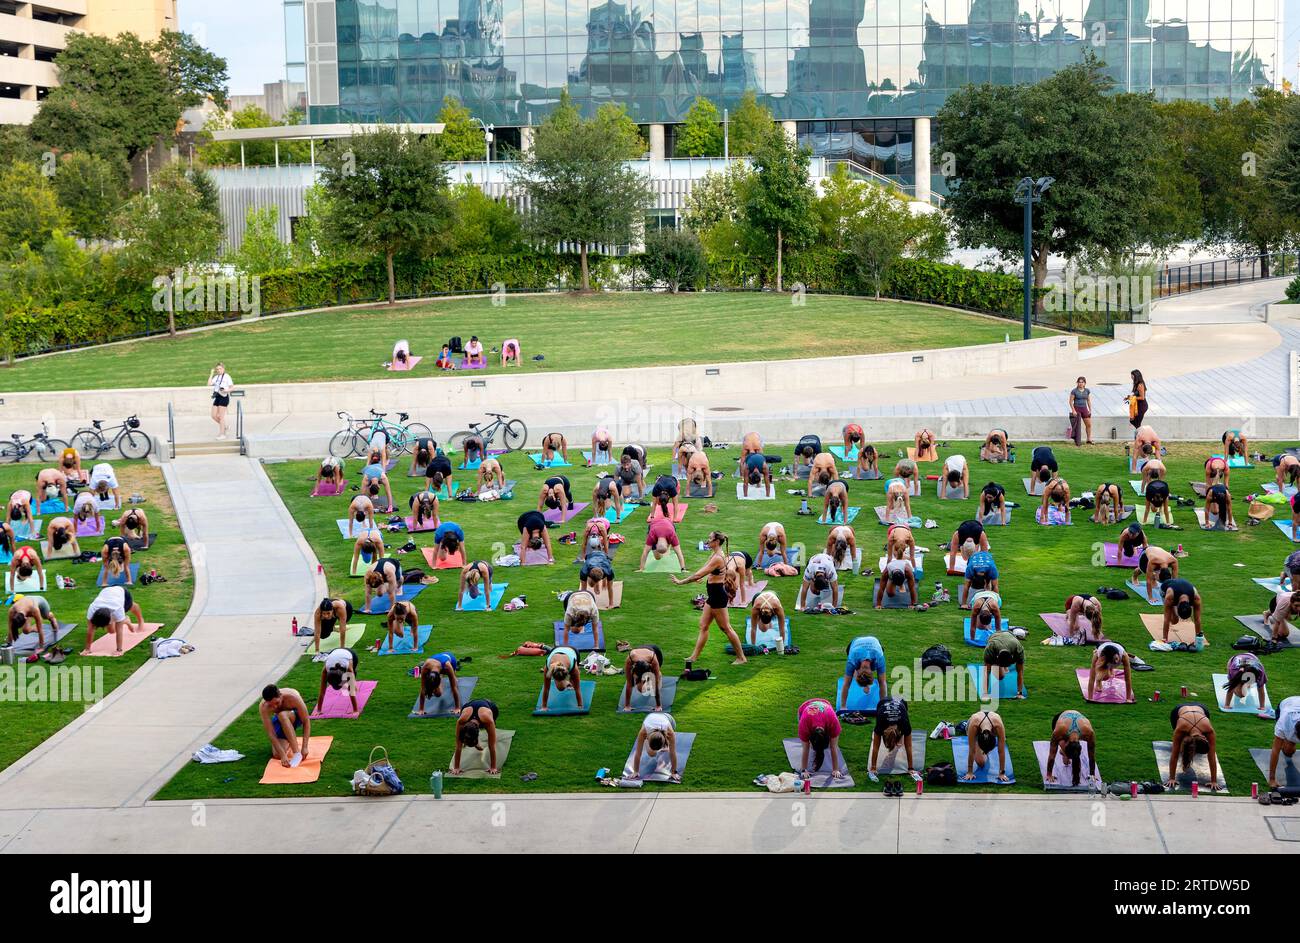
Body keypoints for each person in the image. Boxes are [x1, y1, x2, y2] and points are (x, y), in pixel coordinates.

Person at [674, 531, 747, 667]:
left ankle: (741, 657)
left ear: (717, 541)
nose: (708, 541)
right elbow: (705, 569)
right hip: (713, 595)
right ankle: (694, 657)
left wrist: (681, 582)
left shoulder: (718, 557)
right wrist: (702, 576)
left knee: (726, 628)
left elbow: (698, 574)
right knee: (704, 626)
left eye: (710, 539)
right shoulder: (714, 553)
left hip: (718, 596)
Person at [1167, 703, 1221, 791]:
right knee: (1178, 748)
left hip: (1201, 708)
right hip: (1179, 711)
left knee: (1184, 747)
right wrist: (1171, 778)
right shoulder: (1181, 728)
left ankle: (1190, 746)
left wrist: (1214, 781)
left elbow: (1212, 756)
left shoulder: (1209, 730)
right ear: (1204, 737)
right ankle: (1186, 745)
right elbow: (1174, 755)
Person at [83, 584, 145, 656]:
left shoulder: (117, 609)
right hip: (107, 592)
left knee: (131, 606)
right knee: (111, 631)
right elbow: (90, 630)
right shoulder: (92, 610)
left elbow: (119, 631)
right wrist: (87, 649)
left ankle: (140, 619)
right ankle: (126, 620)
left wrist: (119, 650)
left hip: (121, 592)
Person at [260, 685, 311, 768]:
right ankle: (290, 740)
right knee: (277, 755)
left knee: (282, 715)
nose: (275, 707)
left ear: (280, 696)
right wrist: (283, 755)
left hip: (294, 716)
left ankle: (296, 753)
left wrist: (305, 747)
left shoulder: (293, 697)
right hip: (280, 719)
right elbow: (270, 733)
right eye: (271, 705)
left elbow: (306, 721)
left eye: (277, 703)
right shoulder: (264, 707)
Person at [796, 698, 845, 781]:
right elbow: (806, 748)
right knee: (806, 745)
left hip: (825, 705)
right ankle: (816, 744)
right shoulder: (804, 724)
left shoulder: (833, 722)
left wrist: (836, 769)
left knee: (833, 745)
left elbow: (833, 747)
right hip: (804, 708)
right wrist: (803, 770)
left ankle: (819, 745)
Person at [1045, 711, 1098, 788]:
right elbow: (1052, 755)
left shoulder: (1089, 732)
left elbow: (1092, 756)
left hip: (1075, 724)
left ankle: (1067, 755)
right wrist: (1049, 774)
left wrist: (1092, 775)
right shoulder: (1059, 730)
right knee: (1060, 745)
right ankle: (1063, 753)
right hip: (1060, 718)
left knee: (1074, 756)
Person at [869, 695, 916, 780]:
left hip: (901, 702)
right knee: (880, 740)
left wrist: (911, 768)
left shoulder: (904, 724)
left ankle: (898, 741)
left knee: (902, 743)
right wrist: (873, 767)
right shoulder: (880, 725)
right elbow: (876, 747)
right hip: (883, 703)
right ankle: (895, 742)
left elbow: (908, 746)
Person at [628, 711, 680, 782]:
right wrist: (635, 771)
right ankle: (650, 743)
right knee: (651, 753)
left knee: (669, 749)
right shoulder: (643, 732)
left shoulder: (670, 732)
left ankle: (665, 745)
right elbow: (638, 754)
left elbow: (673, 753)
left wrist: (674, 773)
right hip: (650, 716)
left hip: (669, 719)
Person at [452, 699, 499, 775]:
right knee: (465, 737)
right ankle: (475, 743)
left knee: (492, 738)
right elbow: (458, 746)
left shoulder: (487, 720)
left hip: (490, 707)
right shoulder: (461, 721)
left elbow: (491, 746)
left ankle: (477, 741)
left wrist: (493, 767)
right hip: (469, 707)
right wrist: (456, 767)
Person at [839, 635, 887, 710]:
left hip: (874, 642)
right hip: (855, 643)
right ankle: (865, 685)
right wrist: (843, 707)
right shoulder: (852, 660)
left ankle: (866, 685)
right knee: (851, 673)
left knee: (881, 679)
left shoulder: (879, 658)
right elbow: (846, 684)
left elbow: (882, 683)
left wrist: (883, 707)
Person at [962, 710, 1010, 783]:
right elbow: (972, 750)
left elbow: (1001, 751)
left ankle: (988, 746)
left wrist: (1002, 773)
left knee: (1002, 742)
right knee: (980, 762)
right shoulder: (974, 725)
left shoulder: (998, 725)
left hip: (992, 722)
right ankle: (962, 725)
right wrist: (970, 772)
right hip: (975, 723)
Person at [1223, 652, 1271, 718]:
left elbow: (1261, 690)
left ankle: (1246, 684)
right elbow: (1231, 687)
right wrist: (1227, 705)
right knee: (1239, 693)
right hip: (1235, 659)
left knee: (1245, 690)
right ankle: (1243, 685)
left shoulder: (1260, 672)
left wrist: (1262, 707)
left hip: (1252, 658)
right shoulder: (1234, 670)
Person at [315, 647, 361, 715]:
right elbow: (322, 691)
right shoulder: (325, 670)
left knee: (351, 686)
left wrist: (355, 710)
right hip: (335, 651)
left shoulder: (348, 668)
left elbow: (351, 691)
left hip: (350, 654)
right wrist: (318, 710)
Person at [619, 644, 664, 711]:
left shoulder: (653, 660)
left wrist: (658, 705)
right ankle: (645, 681)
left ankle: (658, 674)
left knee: (655, 680)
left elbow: (656, 684)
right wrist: (627, 706)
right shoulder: (630, 659)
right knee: (641, 689)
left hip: (655, 651)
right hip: (639, 652)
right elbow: (629, 683)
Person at [538, 645, 583, 712]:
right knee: (560, 688)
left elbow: (578, 688)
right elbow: (546, 688)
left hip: (573, 651)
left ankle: (570, 682)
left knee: (574, 684)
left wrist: (580, 706)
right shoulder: (548, 668)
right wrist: (544, 706)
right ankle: (568, 684)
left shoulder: (574, 668)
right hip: (556, 649)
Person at [1267, 696, 1300, 788]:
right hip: (1286, 704)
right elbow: (1275, 750)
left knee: (1290, 749)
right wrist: (1272, 779)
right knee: (1288, 751)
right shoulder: (1283, 724)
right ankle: (1288, 741)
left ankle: (1290, 742)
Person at [982, 631, 1025, 698]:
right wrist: (985, 693)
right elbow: (986, 673)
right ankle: (1003, 667)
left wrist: (1019, 693)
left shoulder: (1018, 649)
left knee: (1015, 669)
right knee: (1000, 676)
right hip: (994, 636)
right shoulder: (990, 648)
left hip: (1009, 635)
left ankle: (1005, 667)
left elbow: (1020, 672)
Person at [1160, 577, 1203, 645]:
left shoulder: (1196, 599)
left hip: (1183, 588)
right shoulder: (1169, 597)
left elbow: (1197, 619)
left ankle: (1172, 609)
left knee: (1174, 619)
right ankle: (1172, 608)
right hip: (1165, 588)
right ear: (1178, 606)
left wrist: (1198, 639)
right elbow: (1166, 619)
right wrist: (1165, 639)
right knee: (1174, 620)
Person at [208, 362, 234, 439]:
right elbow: (209, 384)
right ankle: (225, 426)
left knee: (221, 417)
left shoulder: (227, 376)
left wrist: (226, 390)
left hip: (224, 397)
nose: (219, 370)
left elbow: (232, 387)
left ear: (223, 369)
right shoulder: (216, 377)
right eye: (217, 369)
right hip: (217, 396)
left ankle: (222, 434)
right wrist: (211, 374)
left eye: (220, 368)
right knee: (213, 416)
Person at [1069, 377, 1093, 444]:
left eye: (1082, 382)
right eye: (1079, 382)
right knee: (1077, 426)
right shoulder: (1074, 391)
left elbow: (1088, 400)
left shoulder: (1087, 391)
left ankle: (1088, 439)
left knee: (1089, 424)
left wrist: (1090, 410)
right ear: (1077, 383)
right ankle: (1077, 440)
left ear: (1085, 383)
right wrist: (1073, 410)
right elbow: (1070, 402)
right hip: (1077, 408)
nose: (1081, 383)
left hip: (1084, 409)